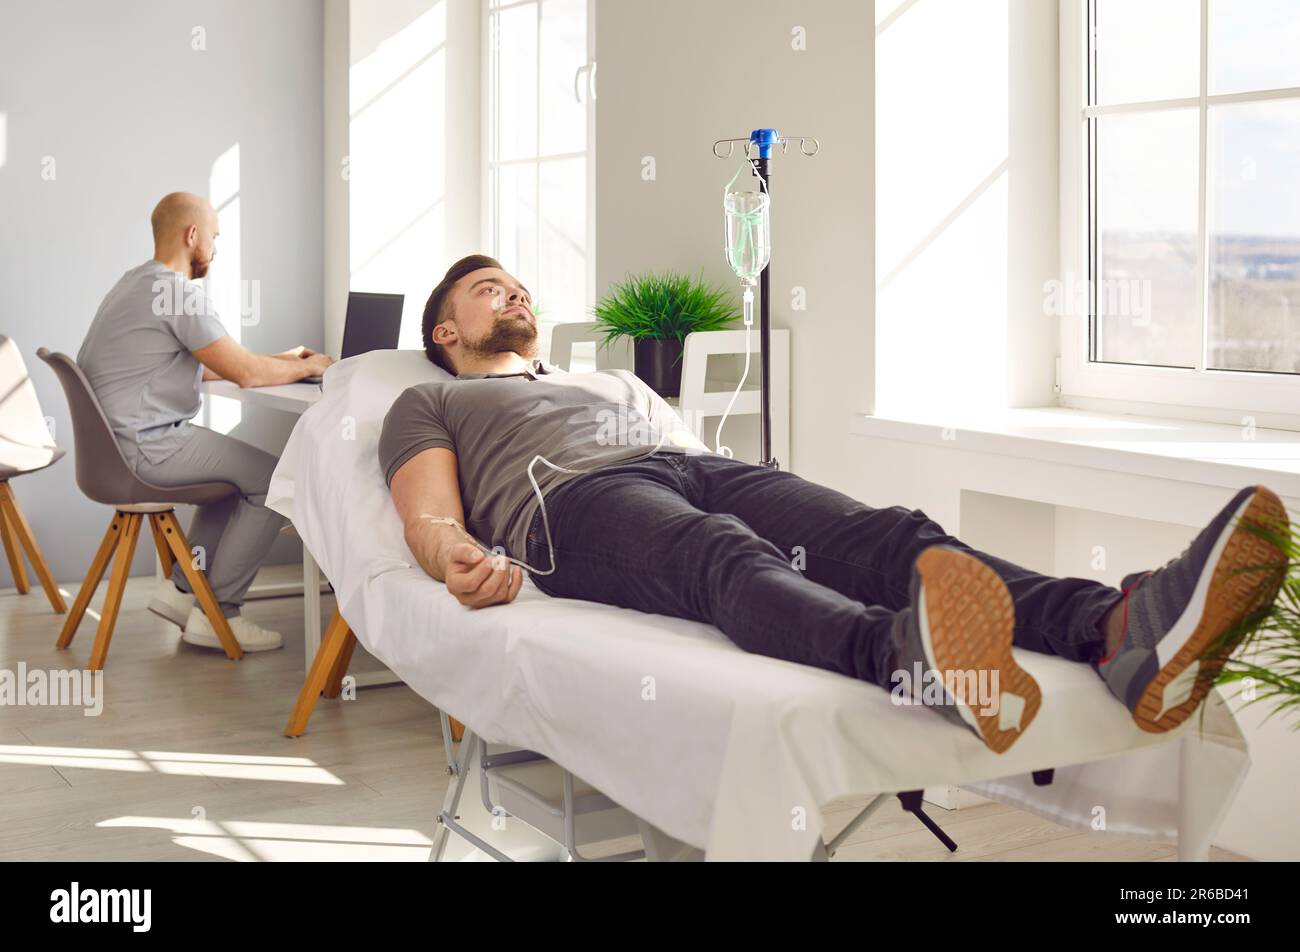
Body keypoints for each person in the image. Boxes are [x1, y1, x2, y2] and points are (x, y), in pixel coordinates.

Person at [378, 254, 1288, 753]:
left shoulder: (609, 378)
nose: (515, 292)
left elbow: (690, 453)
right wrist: (450, 553)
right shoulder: (434, 399)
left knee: (891, 536)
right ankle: (907, 660)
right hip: (572, 505)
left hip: (691, 463)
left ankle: (1119, 629)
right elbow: (426, 511)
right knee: (718, 553)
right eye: (489, 288)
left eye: (519, 285)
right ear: (445, 330)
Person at [78, 192, 335, 652]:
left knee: (231, 479)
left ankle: (183, 592)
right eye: (214, 237)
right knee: (277, 479)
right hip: (147, 447)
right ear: (192, 235)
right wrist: (308, 368)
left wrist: (285, 359)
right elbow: (245, 373)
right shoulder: (176, 292)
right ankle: (221, 614)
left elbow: (215, 364)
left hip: (119, 447)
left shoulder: (136, 283)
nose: (215, 249)